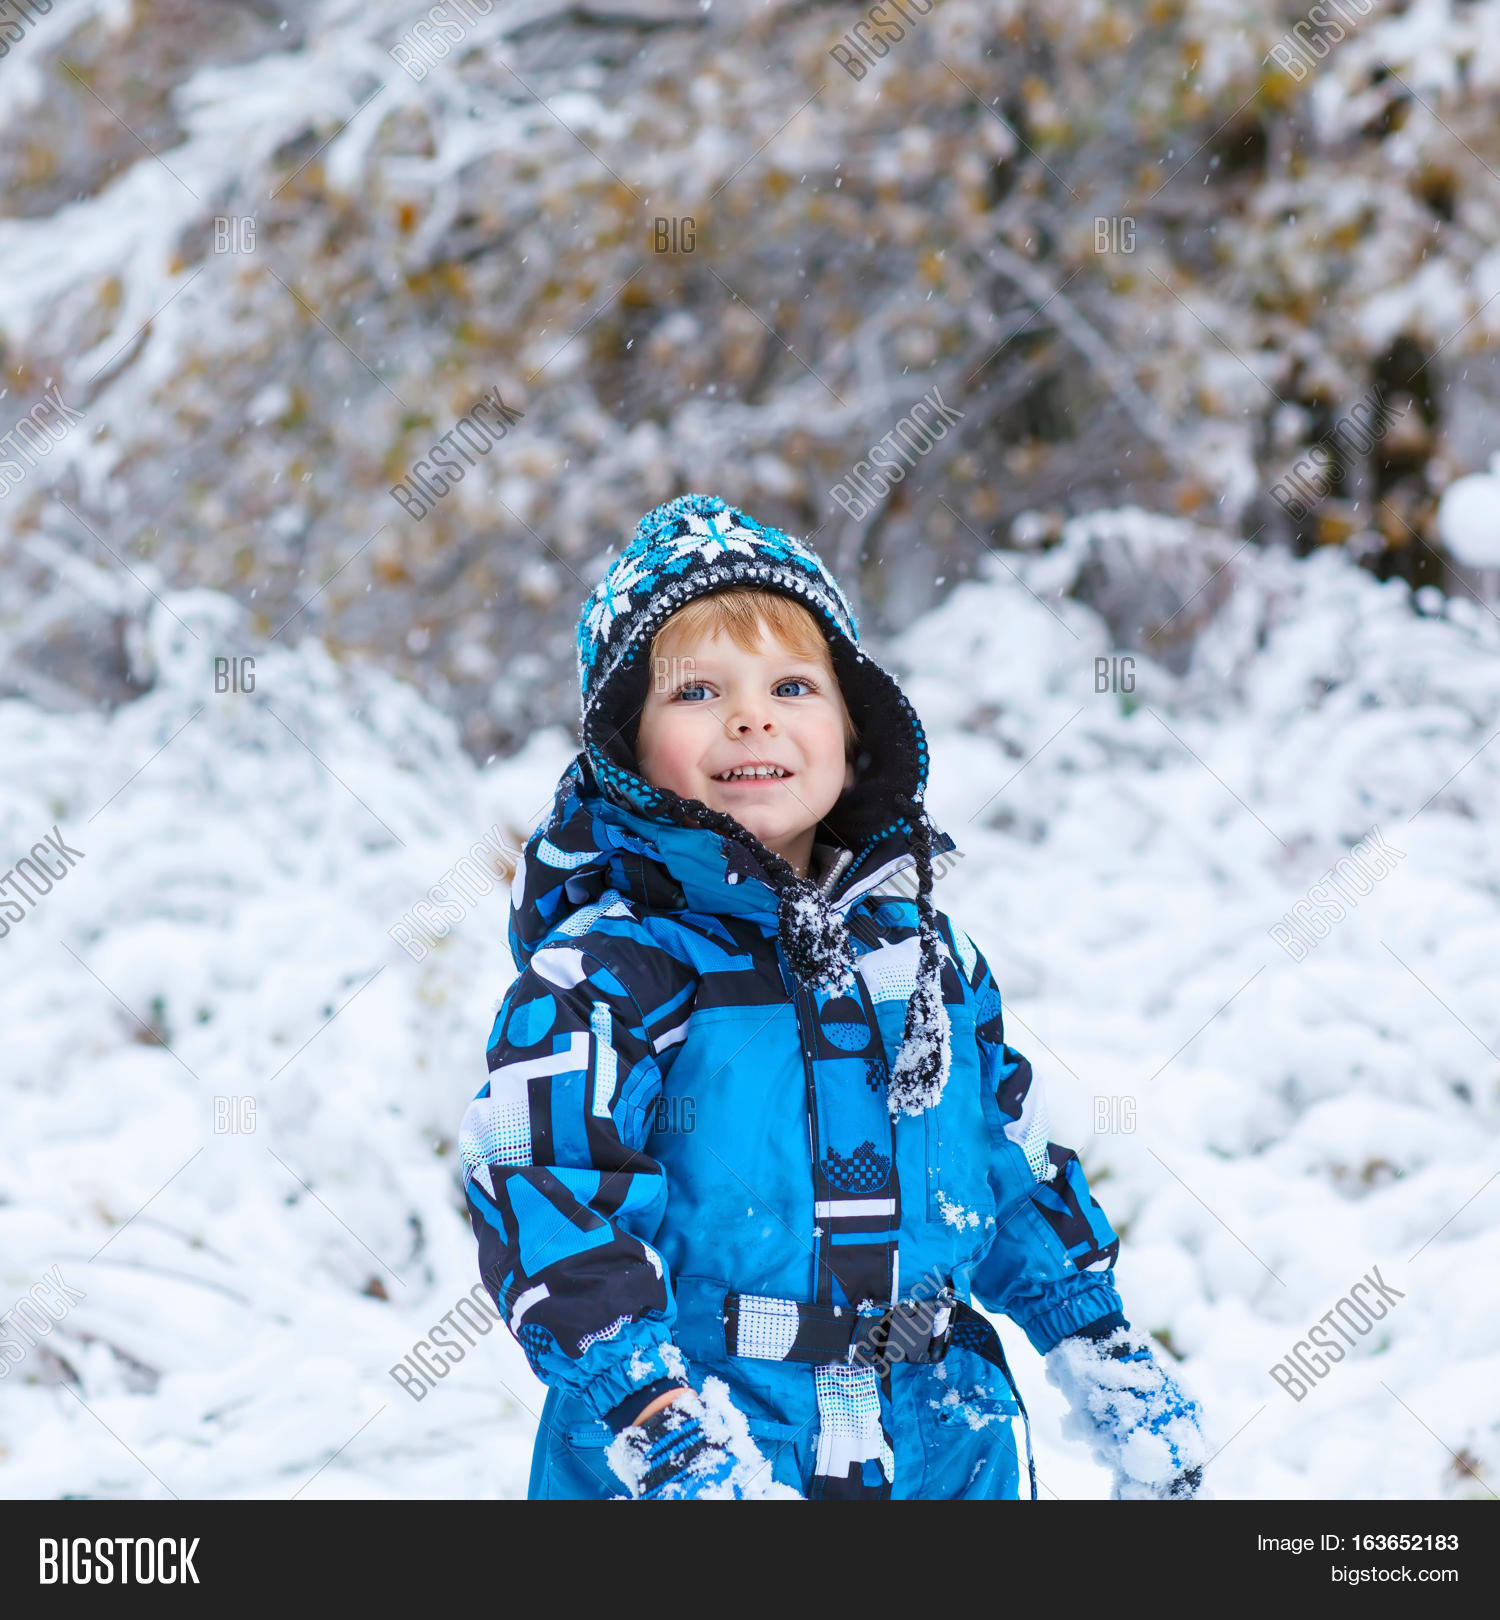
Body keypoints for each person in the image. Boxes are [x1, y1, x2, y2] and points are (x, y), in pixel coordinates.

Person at [459, 492, 1206, 1500]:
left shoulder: (927, 961)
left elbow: (1006, 1164)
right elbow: (542, 1187)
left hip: (943, 1439)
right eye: (695, 693)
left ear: (856, 734)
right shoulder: (606, 979)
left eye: (792, 685)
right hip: (708, 1439)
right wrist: (655, 1420)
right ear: (627, 752)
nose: (750, 714)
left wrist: (1097, 1339)